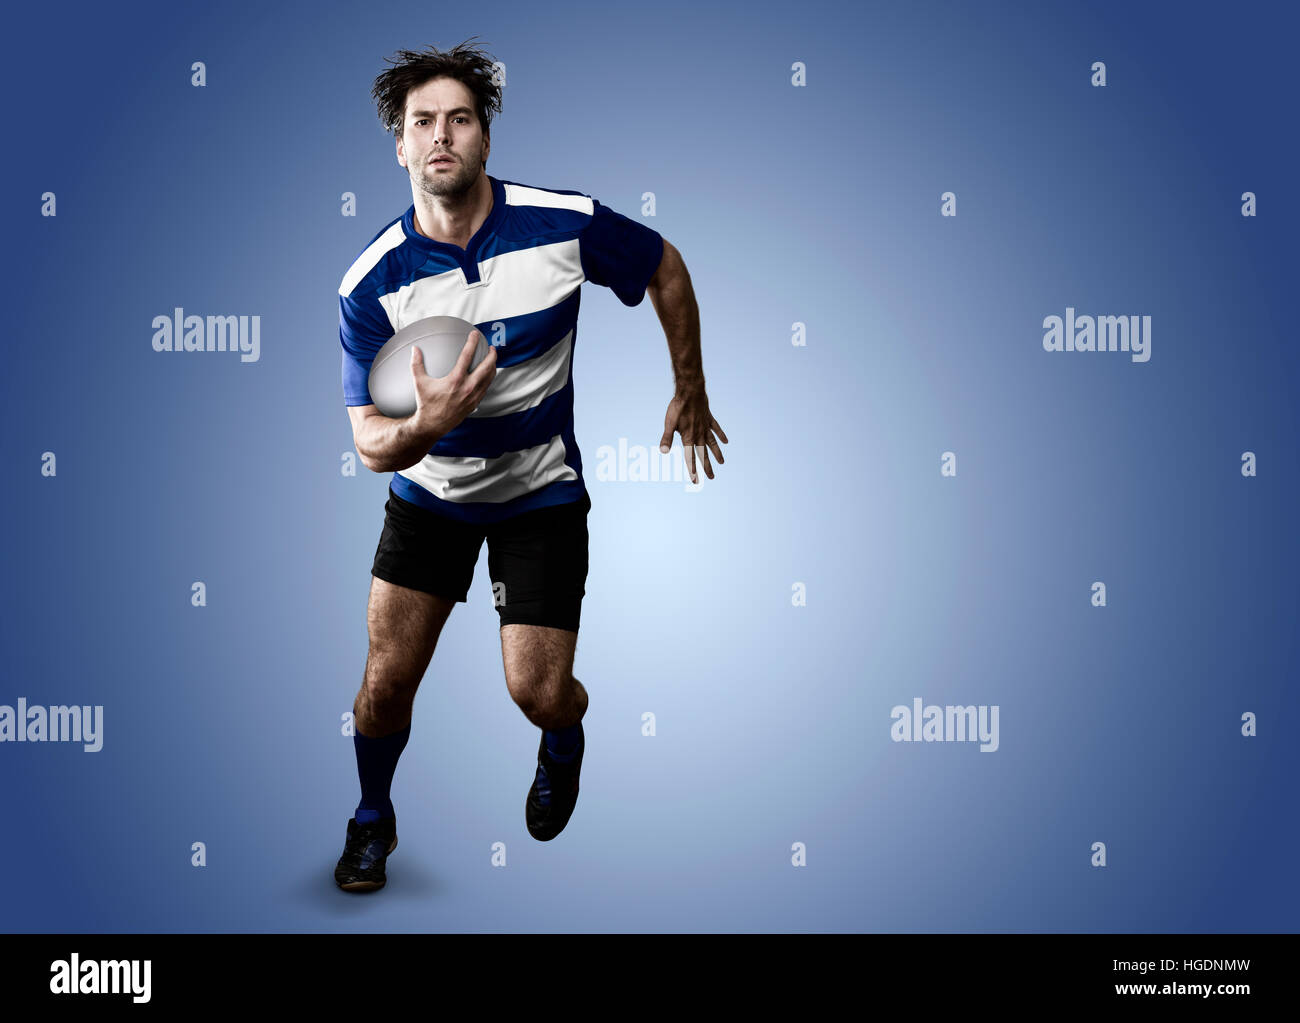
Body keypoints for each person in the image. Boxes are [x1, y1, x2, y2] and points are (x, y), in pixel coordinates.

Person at [333, 39, 727, 892]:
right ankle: (371, 820)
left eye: (461, 119)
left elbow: (663, 266)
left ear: (486, 136)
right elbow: (368, 441)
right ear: (399, 145)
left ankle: (565, 735)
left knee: (538, 692)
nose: (442, 136)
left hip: (539, 495)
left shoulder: (561, 222)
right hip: (429, 499)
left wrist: (688, 388)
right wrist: (424, 428)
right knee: (382, 683)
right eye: (422, 122)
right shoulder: (372, 283)